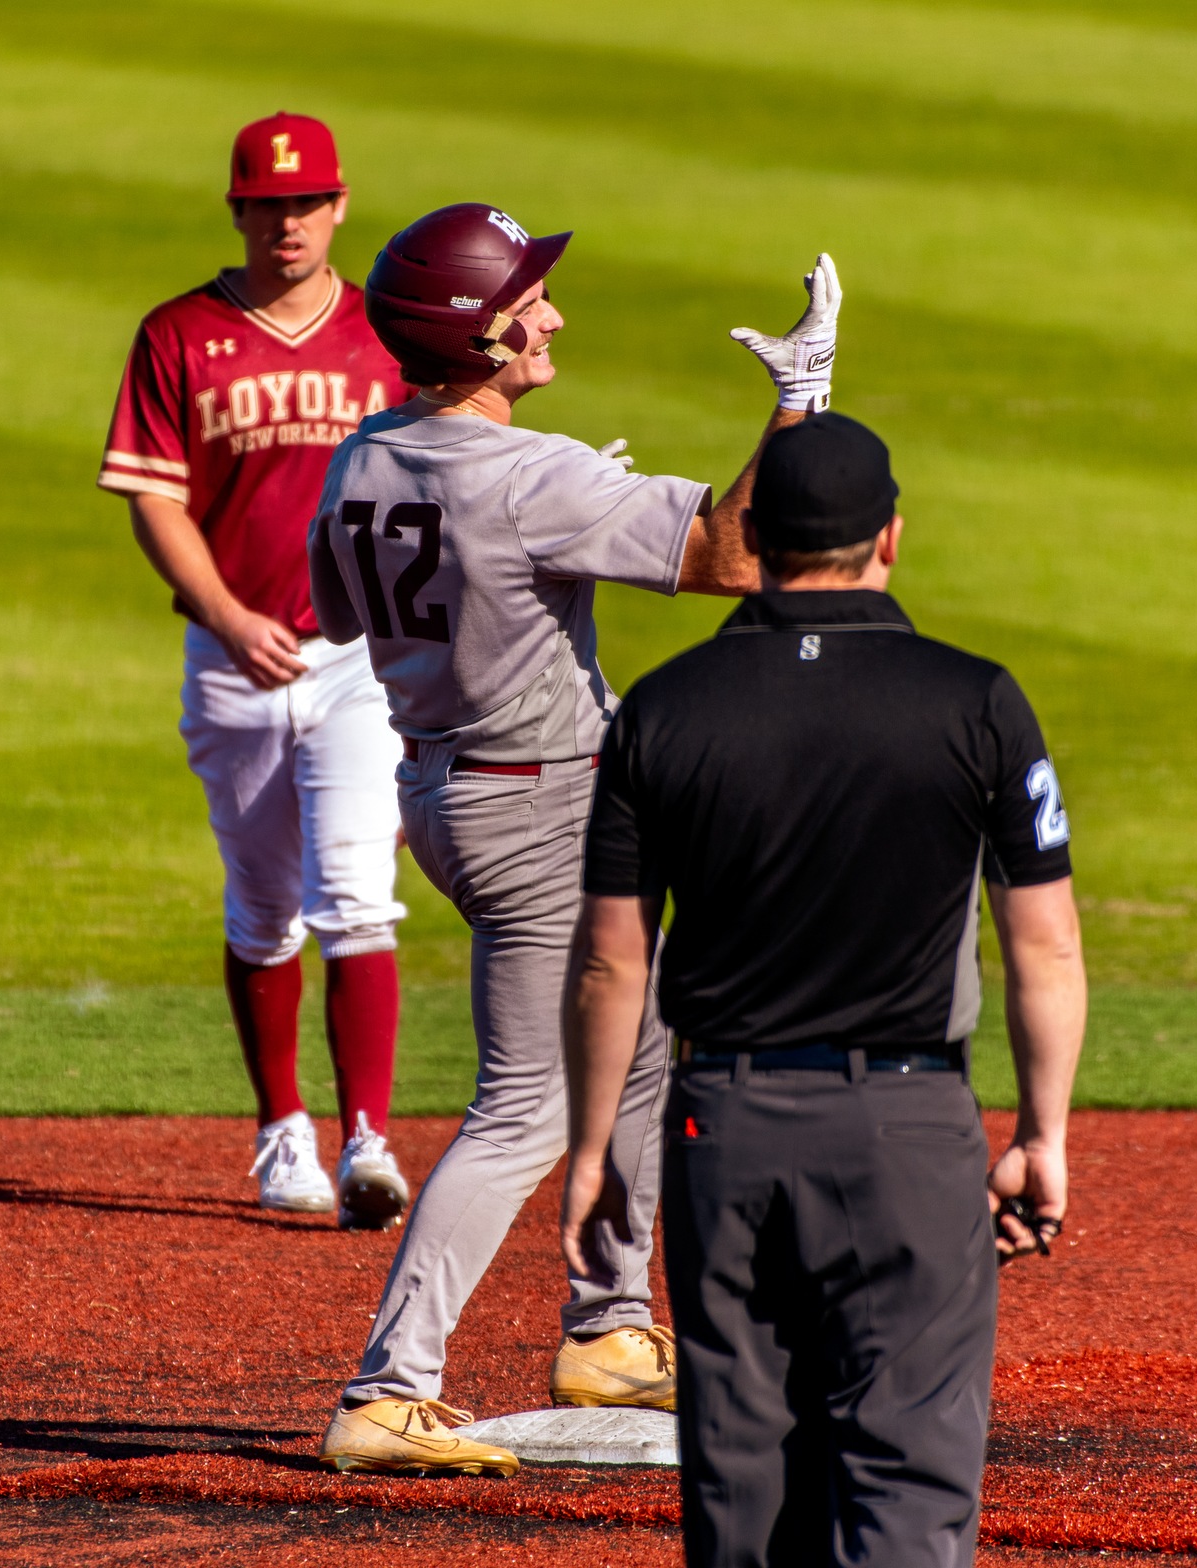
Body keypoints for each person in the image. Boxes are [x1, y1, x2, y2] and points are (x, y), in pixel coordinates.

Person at [304, 203, 846, 1475]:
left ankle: (608, 1324)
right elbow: (734, 553)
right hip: (537, 803)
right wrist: (799, 402)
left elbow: (338, 604)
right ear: (479, 333)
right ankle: (387, 1386)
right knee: (528, 1106)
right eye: (528, 300)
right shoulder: (528, 473)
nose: (549, 313)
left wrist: (525, 544)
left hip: (448, 787)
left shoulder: (364, 456)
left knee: (645, 1048)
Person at [561, 412, 1086, 1565]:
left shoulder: (665, 706)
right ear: (890, 537)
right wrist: (1042, 1132)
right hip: (907, 1126)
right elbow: (1042, 943)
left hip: (721, 1125)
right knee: (904, 1468)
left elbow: (612, 955)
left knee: (740, 1479)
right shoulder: (977, 700)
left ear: (752, 535)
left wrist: (595, 1145)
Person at [97, 113, 415, 1229]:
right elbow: (152, 494)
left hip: (357, 661)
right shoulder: (181, 333)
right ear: (238, 209)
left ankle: (369, 1135)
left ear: (339, 208)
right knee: (264, 908)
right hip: (232, 662)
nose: (288, 221)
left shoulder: (386, 337)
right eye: (268, 203)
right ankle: (285, 1125)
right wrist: (228, 616)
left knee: (358, 895)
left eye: (307, 202)